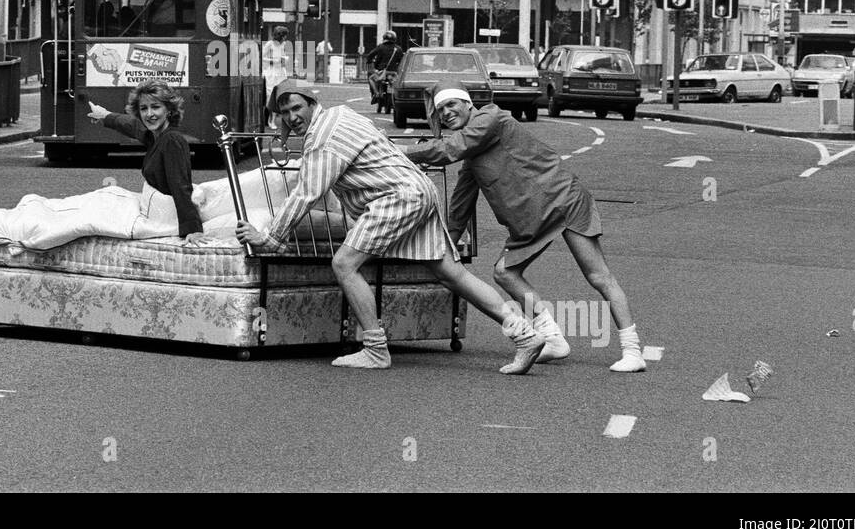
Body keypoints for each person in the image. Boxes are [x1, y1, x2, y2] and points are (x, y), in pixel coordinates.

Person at [234, 79, 547, 372]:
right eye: (285, 113)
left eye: (296, 108)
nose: (292, 117)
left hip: (396, 197)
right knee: (452, 274)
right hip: (418, 189)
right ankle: (525, 336)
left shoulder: (323, 138)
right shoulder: (342, 115)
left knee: (344, 264)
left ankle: (375, 348)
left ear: (312, 103)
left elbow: (307, 192)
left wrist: (271, 238)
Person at [401, 83, 646, 372]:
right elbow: (461, 204)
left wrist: (403, 151)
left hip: (563, 201)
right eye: (441, 110)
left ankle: (633, 351)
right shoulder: (472, 153)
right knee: (505, 272)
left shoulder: (492, 118)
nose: (446, 113)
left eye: (451, 105)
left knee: (598, 276)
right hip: (534, 219)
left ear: (468, 103)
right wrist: (446, 246)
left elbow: (452, 148)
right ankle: (553, 339)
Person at [87, 80, 208, 244]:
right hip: (155, 211)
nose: (149, 114)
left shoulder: (172, 140)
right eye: (144, 108)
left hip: (164, 218)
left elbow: (181, 186)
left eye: (156, 107)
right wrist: (105, 116)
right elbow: (133, 126)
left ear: (169, 111)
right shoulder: (156, 136)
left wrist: (193, 229)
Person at [261, 25, 291, 129]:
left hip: (281, 71)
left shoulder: (284, 44)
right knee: (271, 95)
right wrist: (273, 61)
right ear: (280, 35)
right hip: (272, 71)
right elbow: (262, 57)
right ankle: (270, 120)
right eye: (285, 35)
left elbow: (285, 56)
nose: (286, 38)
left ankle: (278, 119)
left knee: (281, 95)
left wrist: (285, 59)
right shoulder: (270, 44)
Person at [365, 30, 403, 113]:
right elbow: (402, 60)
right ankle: (394, 97)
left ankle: (376, 93)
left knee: (371, 78)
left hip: (381, 72)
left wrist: (369, 61)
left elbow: (370, 55)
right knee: (396, 84)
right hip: (393, 73)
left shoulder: (380, 47)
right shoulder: (398, 49)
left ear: (384, 38)